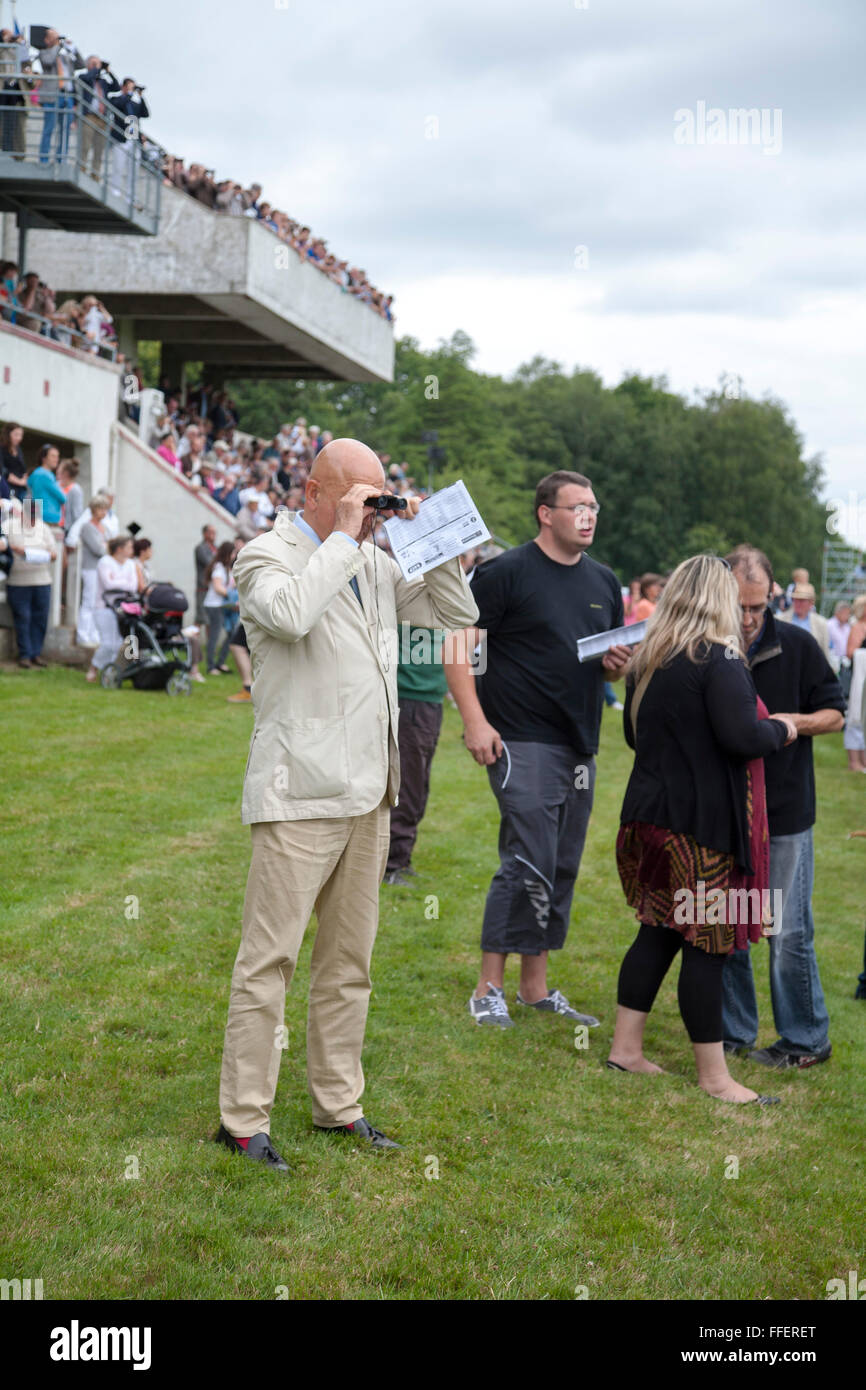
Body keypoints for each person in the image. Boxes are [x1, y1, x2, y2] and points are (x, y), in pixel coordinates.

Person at [214, 438, 478, 1171]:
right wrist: (342, 537)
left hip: (370, 789)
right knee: (269, 961)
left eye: (379, 496)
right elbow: (293, 615)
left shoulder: (371, 558)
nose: (370, 511)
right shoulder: (266, 555)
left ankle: (338, 1104)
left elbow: (454, 613)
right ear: (312, 491)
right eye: (359, 496)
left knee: (349, 962)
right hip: (300, 788)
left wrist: (431, 539)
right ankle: (242, 1119)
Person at [446, 470, 630, 1029]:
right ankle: (487, 988)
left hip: (579, 743)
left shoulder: (604, 582)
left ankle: (535, 988)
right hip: (518, 738)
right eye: (577, 506)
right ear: (545, 513)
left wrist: (616, 667)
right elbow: (458, 646)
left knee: (561, 863)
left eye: (594, 506)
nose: (588, 516)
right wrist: (475, 722)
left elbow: (607, 664)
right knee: (526, 858)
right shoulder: (504, 572)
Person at [609, 554, 794, 1103]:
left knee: (659, 930)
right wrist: (780, 728)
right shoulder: (718, 661)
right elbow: (742, 737)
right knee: (708, 946)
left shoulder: (650, 660)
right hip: (701, 829)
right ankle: (716, 1079)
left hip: (647, 820)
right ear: (721, 600)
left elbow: (633, 736)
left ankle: (626, 1050)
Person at [722, 545, 845, 1069]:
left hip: (787, 810)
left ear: (773, 596)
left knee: (786, 928)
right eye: (740, 606)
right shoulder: (709, 646)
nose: (749, 619)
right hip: (725, 808)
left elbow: (835, 714)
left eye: (758, 606)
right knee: (729, 921)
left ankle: (804, 1039)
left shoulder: (796, 644)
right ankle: (732, 1033)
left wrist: (792, 722)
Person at [383, 623, 449, 885]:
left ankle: (399, 859)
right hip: (410, 697)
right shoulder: (411, 588)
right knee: (408, 786)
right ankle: (390, 865)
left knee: (418, 785)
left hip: (428, 699)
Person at [2, 496, 58, 667]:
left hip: (42, 580)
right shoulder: (10, 526)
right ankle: (25, 654)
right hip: (18, 581)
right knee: (23, 617)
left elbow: (54, 553)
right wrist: (17, 550)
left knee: (40, 618)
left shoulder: (44, 528)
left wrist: (38, 554)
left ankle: (36, 653)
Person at [88, 534, 141, 682]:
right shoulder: (104, 562)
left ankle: (109, 672)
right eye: (129, 547)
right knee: (108, 643)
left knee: (118, 643)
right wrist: (123, 582)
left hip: (123, 608)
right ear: (119, 549)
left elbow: (133, 586)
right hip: (104, 607)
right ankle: (94, 668)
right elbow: (108, 585)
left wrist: (117, 581)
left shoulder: (130, 564)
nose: (132, 549)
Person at [76, 496, 109, 646]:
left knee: (98, 603)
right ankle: (83, 635)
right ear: (94, 510)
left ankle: (94, 634)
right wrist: (107, 547)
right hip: (90, 569)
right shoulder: (87, 527)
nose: (104, 512)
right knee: (88, 601)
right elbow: (99, 549)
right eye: (101, 509)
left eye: (105, 509)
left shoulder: (104, 528)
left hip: (101, 569)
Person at [776, 581, 831, 662]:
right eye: (796, 599)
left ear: (811, 602)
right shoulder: (779, 619)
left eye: (802, 600)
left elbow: (825, 652)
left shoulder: (821, 623)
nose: (798, 603)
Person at [203, 540, 235, 674]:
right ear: (228, 553)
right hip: (214, 606)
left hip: (223, 605)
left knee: (232, 634)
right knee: (214, 637)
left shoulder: (226, 568)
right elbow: (217, 587)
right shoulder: (218, 568)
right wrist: (231, 596)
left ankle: (220, 663)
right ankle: (211, 667)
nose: (234, 555)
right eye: (233, 553)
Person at [844, 594, 866, 773]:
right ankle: (854, 761)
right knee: (856, 716)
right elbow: (850, 652)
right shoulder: (858, 627)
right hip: (860, 677)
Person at [26, 444, 66, 526]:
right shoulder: (45, 475)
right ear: (44, 458)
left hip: (35, 517)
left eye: (57, 456)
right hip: (48, 518)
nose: (56, 459)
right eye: (53, 456)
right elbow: (63, 497)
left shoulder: (35, 473)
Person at [194, 524, 217, 624]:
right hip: (203, 588)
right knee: (201, 618)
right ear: (204, 534)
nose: (213, 535)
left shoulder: (216, 548)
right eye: (211, 532)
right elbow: (209, 562)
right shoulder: (200, 548)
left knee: (210, 620)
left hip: (213, 588)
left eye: (214, 532)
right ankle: (191, 639)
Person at [1, 421, 28, 501]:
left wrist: (25, 478)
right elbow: (3, 471)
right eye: (16, 435)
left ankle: (33, 514)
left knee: (32, 502)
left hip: (21, 487)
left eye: (21, 435)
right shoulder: (2, 449)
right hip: (7, 487)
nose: (19, 438)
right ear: (8, 434)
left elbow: (23, 468)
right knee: (12, 509)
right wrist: (19, 481)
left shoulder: (18, 449)